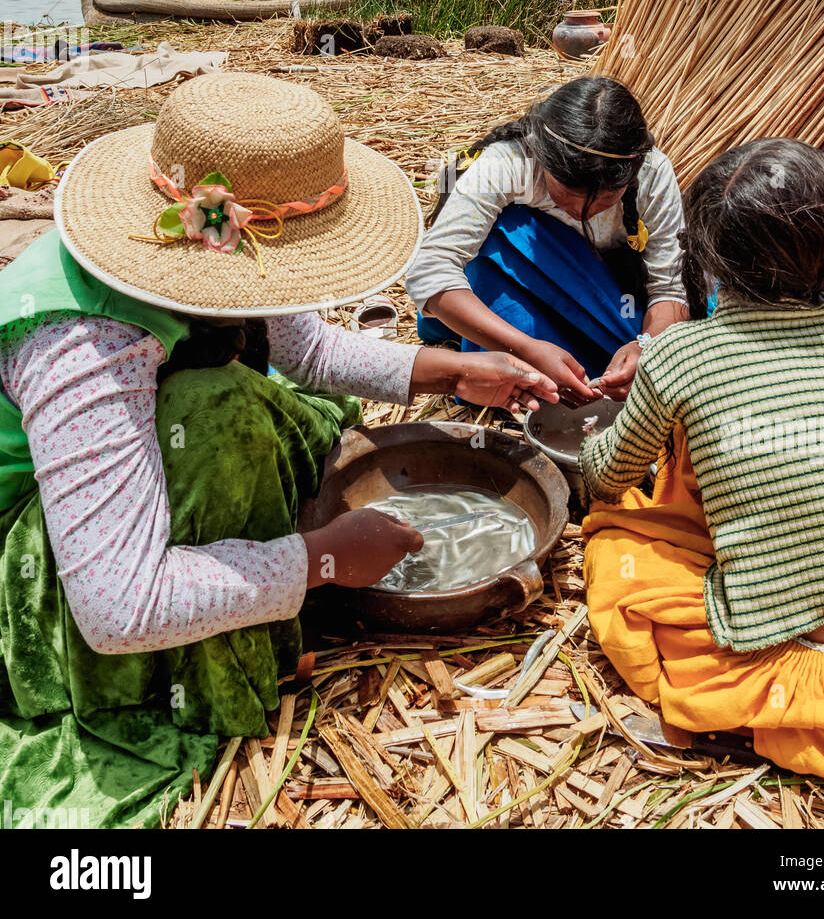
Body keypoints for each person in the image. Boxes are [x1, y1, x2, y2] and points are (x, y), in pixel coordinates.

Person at [0, 72, 557, 828]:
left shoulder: (222, 229)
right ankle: (200, 670)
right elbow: (117, 605)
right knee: (218, 409)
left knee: (295, 406)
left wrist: (449, 368)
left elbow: (306, 351)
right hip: (51, 548)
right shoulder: (83, 346)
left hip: (134, 473)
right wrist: (320, 559)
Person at [580, 138, 824, 795]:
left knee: (618, 548)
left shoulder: (678, 355)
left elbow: (608, 477)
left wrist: (608, 437)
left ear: (708, 255)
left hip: (799, 650)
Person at [405, 77, 688, 406]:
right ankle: (509, 362)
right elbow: (431, 271)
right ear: (542, 157)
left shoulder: (652, 172)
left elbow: (669, 288)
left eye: (607, 198)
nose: (583, 213)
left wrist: (647, 345)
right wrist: (524, 348)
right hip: (514, 300)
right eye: (566, 193)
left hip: (606, 298)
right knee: (504, 232)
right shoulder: (509, 162)